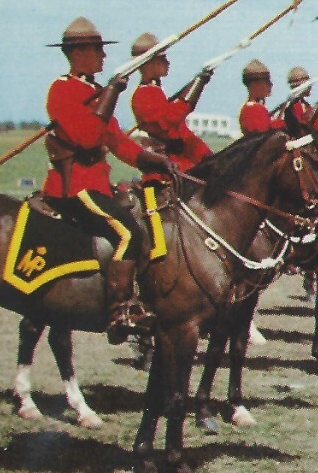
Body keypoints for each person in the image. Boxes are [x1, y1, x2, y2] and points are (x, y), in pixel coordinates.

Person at [43, 18, 172, 344]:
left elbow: (118, 142)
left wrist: (154, 161)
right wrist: (112, 91)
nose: (103, 56)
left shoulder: (94, 92)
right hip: (74, 189)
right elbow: (86, 138)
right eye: (98, 50)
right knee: (127, 232)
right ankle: (120, 312)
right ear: (78, 53)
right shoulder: (62, 90)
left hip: (97, 186)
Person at [128, 32, 212, 184]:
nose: (167, 62)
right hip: (163, 172)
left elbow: (183, 134)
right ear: (149, 63)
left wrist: (208, 157)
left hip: (181, 166)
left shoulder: (155, 92)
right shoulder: (143, 95)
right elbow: (170, 119)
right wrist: (198, 85)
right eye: (162, 58)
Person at [238, 61, 274, 134]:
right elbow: (263, 136)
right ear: (254, 85)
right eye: (266, 82)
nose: (270, 84)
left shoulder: (254, 107)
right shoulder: (253, 109)